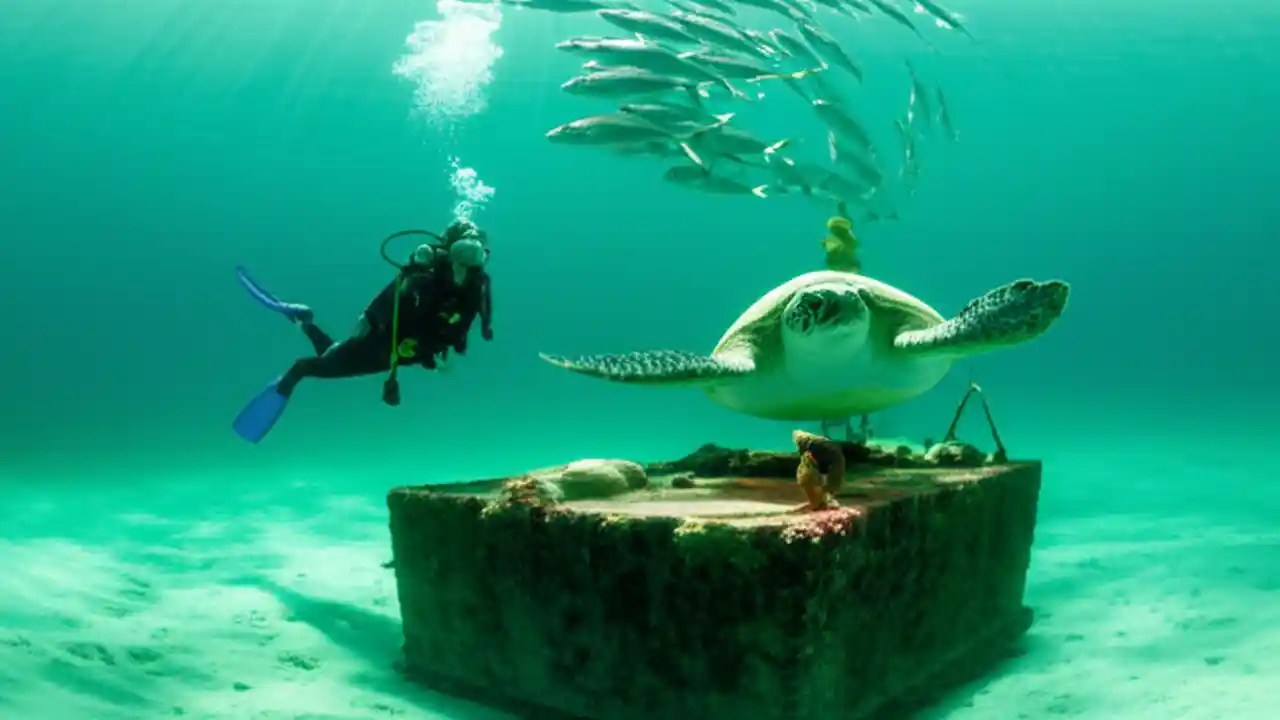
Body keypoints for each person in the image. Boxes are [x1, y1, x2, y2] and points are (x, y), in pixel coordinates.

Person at [231, 219, 494, 443]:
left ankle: (305, 320)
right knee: (309, 366)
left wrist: (447, 350)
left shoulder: (476, 284)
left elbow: (467, 323)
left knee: (333, 356)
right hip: (381, 345)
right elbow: (394, 296)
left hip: (401, 352)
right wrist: (370, 317)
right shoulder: (426, 274)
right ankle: (294, 359)